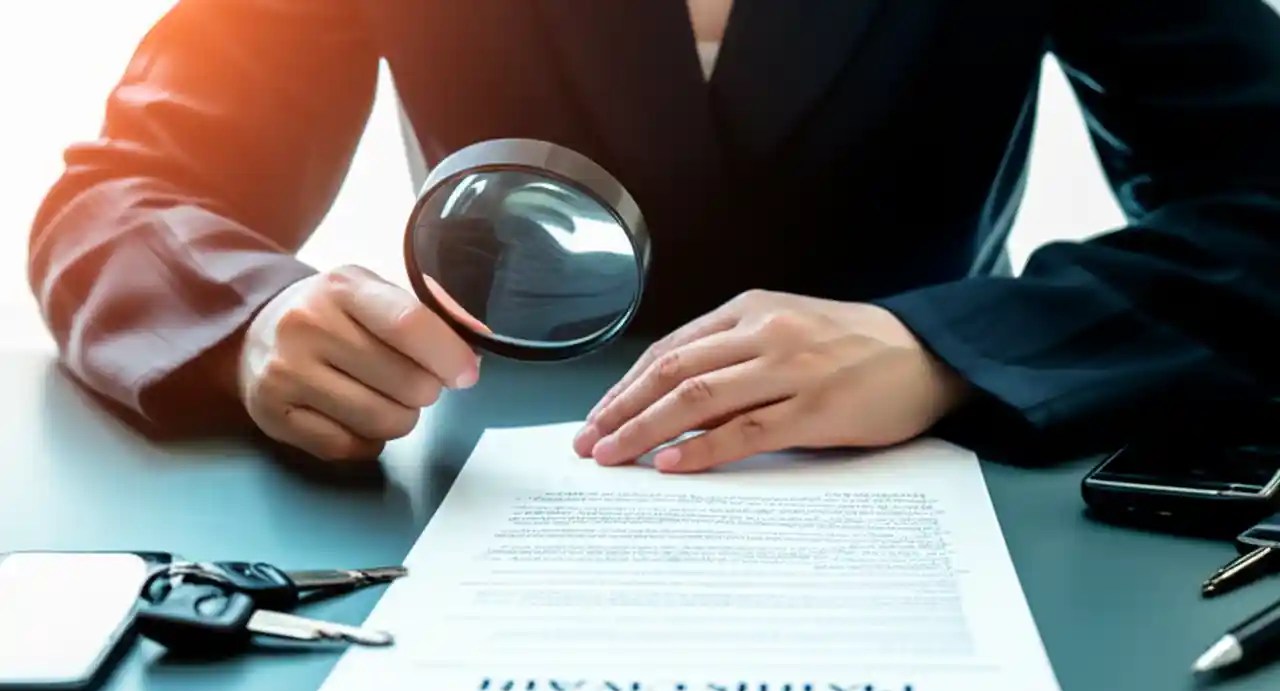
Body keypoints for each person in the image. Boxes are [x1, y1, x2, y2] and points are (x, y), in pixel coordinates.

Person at [27, 0, 1280, 470]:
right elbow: (122, 193)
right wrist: (253, 318)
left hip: (940, 476)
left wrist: (943, 347)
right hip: (491, 479)